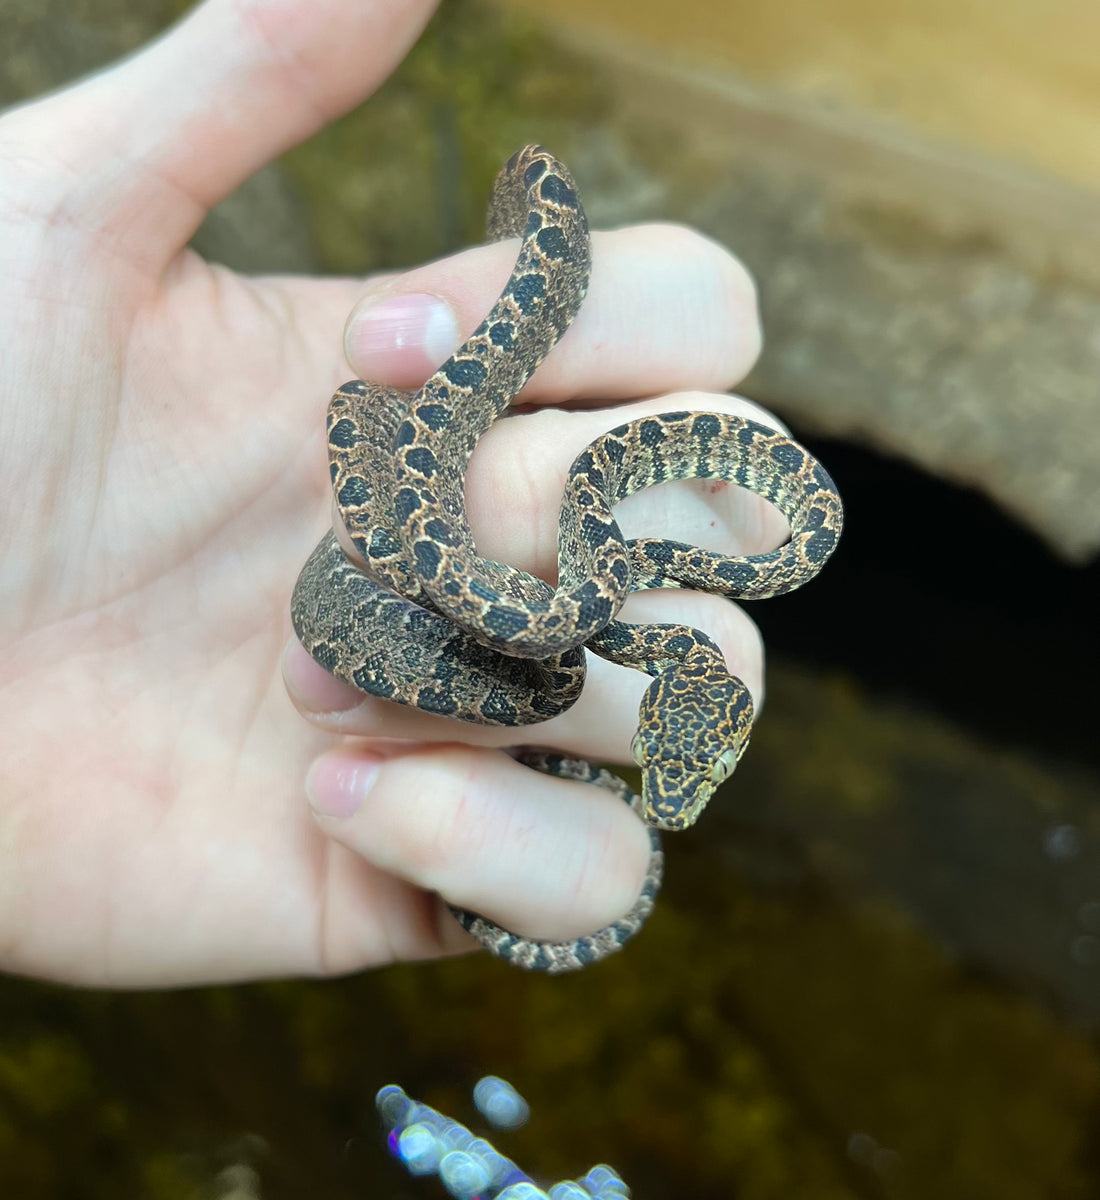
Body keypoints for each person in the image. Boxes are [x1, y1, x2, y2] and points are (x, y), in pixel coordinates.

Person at [0, 0, 788, 986]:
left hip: (222, 745)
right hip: (370, 577)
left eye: (686, 769)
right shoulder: (582, 605)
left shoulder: (588, 623)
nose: (675, 786)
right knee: (553, 650)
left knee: (556, 662)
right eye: (684, 763)